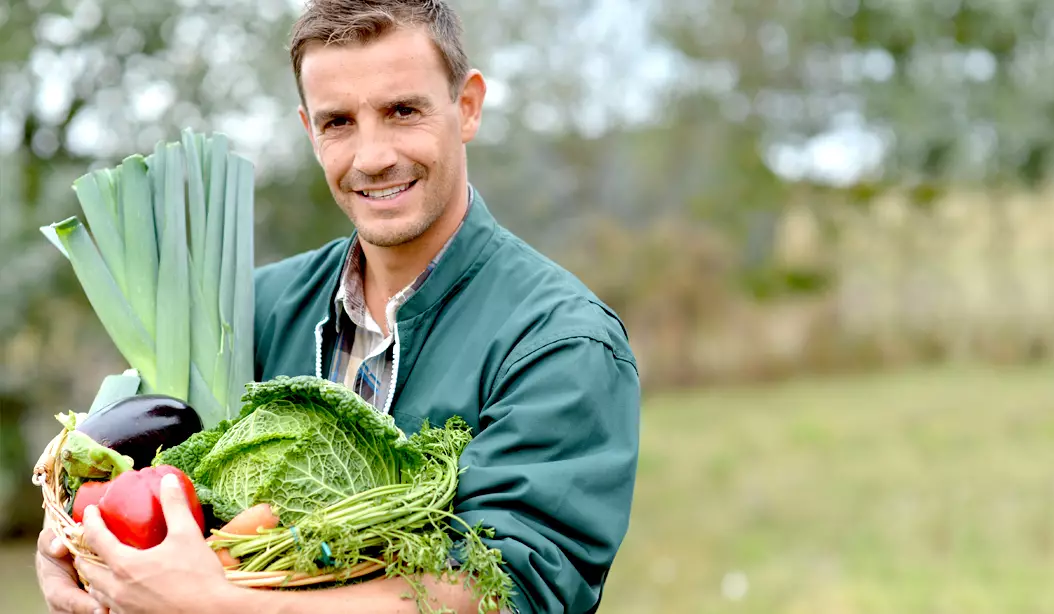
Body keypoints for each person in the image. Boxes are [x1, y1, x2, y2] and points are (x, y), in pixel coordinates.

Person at [35, 0, 641, 613]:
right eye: (339, 122)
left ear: (467, 107)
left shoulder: (560, 341)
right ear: (308, 129)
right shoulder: (251, 312)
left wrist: (220, 608)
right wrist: (72, 546)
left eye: (402, 111)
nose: (372, 156)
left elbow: (508, 590)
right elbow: (126, 472)